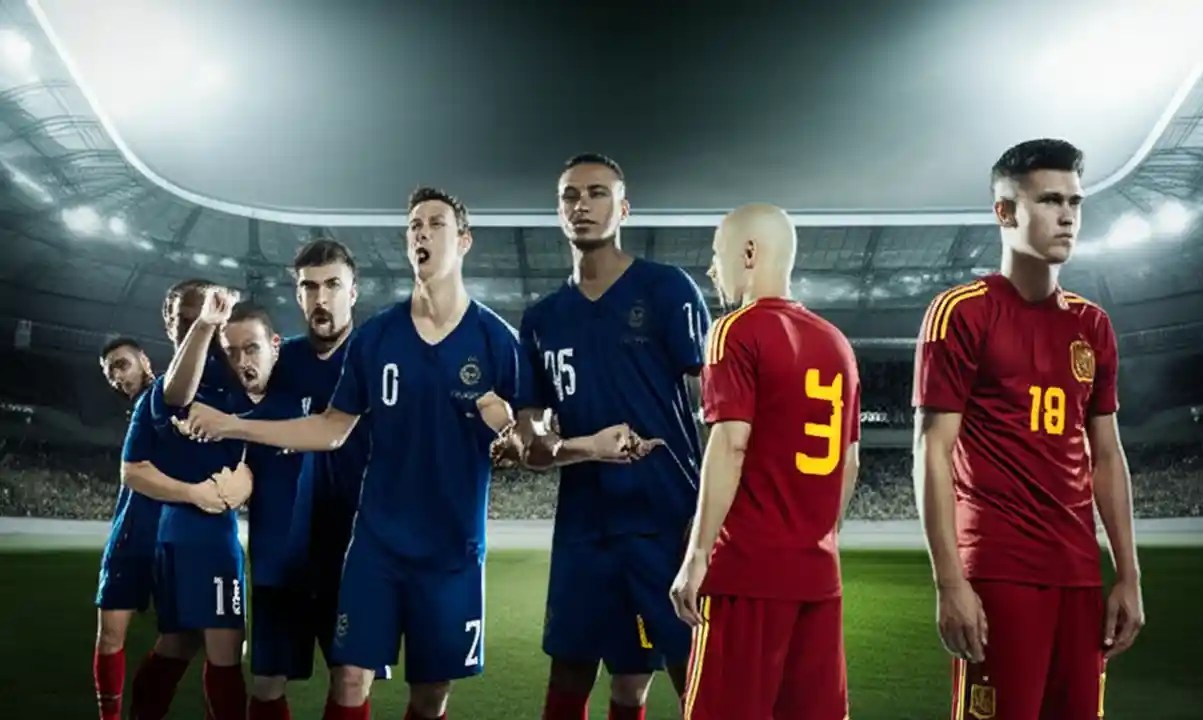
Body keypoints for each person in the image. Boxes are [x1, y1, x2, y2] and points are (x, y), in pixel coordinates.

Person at [183, 187, 534, 720]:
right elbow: (330, 428)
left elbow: (533, 427)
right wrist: (233, 423)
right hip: (375, 544)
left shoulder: (498, 341)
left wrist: (516, 436)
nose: (422, 232)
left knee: (432, 693)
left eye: (435, 224)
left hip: (452, 547)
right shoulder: (377, 338)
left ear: (463, 241)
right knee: (348, 677)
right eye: (414, 224)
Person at [912, 138, 1144, 720]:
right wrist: (949, 581)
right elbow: (933, 452)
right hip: (999, 574)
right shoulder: (961, 312)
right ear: (1005, 211)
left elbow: (1107, 457)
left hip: (1079, 576)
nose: (1066, 215)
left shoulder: (1093, 325)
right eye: (1048, 200)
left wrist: (1128, 574)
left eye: (1074, 201)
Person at [518, 153, 710, 720]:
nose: (582, 205)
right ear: (559, 211)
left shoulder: (667, 289)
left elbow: (716, 410)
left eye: (597, 193)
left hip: (667, 519)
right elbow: (532, 445)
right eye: (571, 196)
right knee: (572, 672)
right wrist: (588, 447)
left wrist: (711, 516)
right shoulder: (541, 319)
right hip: (585, 526)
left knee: (691, 673)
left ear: (622, 208)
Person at [669, 203, 861, 720]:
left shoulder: (735, 331)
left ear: (748, 253)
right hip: (818, 577)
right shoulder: (837, 344)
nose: (712, 269)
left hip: (747, 575)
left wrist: (697, 554)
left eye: (717, 254)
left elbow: (731, 443)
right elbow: (849, 463)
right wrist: (814, 536)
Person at [121, 279, 253, 720]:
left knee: (180, 641)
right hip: (198, 533)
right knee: (226, 644)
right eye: (186, 317)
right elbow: (133, 468)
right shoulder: (166, 391)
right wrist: (205, 325)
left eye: (207, 315)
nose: (199, 323)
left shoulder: (234, 381)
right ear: (170, 324)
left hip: (202, 533)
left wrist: (246, 478)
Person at [267, 238, 390, 710]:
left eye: (333, 285)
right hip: (288, 549)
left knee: (351, 681)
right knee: (265, 681)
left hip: (360, 550)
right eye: (309, 286)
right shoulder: (281, 362)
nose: (321, 298)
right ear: (297, 295)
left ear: (353, 292)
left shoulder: (382, 358)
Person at [93, 337, 200, 720]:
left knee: (188, 637)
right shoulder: (142, 406)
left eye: (122, 365)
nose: (117, 377)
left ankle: (146, 709)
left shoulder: (170, 390)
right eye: (110, 373)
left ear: (143, 359)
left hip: (176, 534)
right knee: (109, 637)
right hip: (132, 532)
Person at [217, 302, 312, 720]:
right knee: (266, 685)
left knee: (351, 678)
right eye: (232, 352)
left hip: (336, 562)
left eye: (252, 348)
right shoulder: (228, 414)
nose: (243, 361)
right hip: (273, 569)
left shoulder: (311, 390)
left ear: (275, 345)